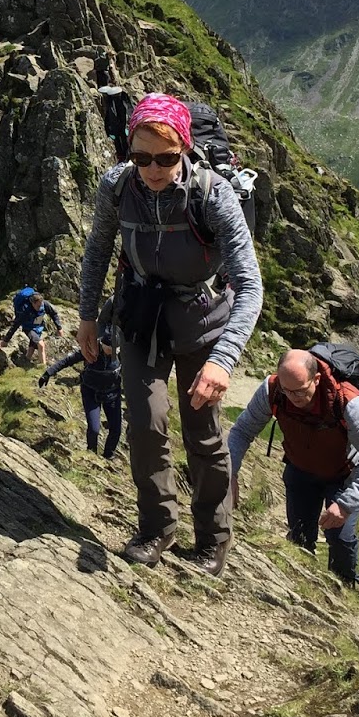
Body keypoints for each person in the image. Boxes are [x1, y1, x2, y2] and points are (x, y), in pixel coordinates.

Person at [78, 93, 263, 574]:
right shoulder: (117, 187)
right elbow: (98, 250)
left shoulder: (213, 194)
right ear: (128, 153)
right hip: (141, 317)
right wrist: (87, 316)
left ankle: (212, 541)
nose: (153, 168)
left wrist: (223, 361)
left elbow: (250, 285)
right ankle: (156, 528)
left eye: (165, 157)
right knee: (145, 423)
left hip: (202, 323)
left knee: (202, 434)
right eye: (141, 157)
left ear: (184, 148)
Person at [226, 349, 359, 586]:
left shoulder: (350, 402)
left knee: (340, 538)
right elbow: (242, 431)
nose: (292, 397)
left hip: (343, 476)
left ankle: (345, 586)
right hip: (300, 471)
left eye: (300, 391)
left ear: (317, 379)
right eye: (286, 390)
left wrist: (346, 504)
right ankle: (303, 585)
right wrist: (230, 472)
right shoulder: (272, 390)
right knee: (299, 535)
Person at [38, 306, 123, 459]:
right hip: (91, 392)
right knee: (94, 429)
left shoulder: (122, 355)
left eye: (115, 350)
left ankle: (108, 456)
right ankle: (91, 455)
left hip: (112, 394)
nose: (111, 352)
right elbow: (67, 360)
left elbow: (132, 374)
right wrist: (48, 373)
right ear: (102, 343)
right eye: (108, 348)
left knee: (116, 429)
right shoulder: (90, 349)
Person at [0, 287, 61, 367]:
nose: (39, 307)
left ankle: (24, 363)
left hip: (39, 328)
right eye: (37, 306)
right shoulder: (25, 311)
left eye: (40, 305)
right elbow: (15, 325)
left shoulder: (44, 304)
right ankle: (43, 367)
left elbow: (54, 314)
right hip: (29, 329)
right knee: (41, 345)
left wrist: (59, 328)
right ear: (32, 303)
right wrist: (6, 340)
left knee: (32, 348)